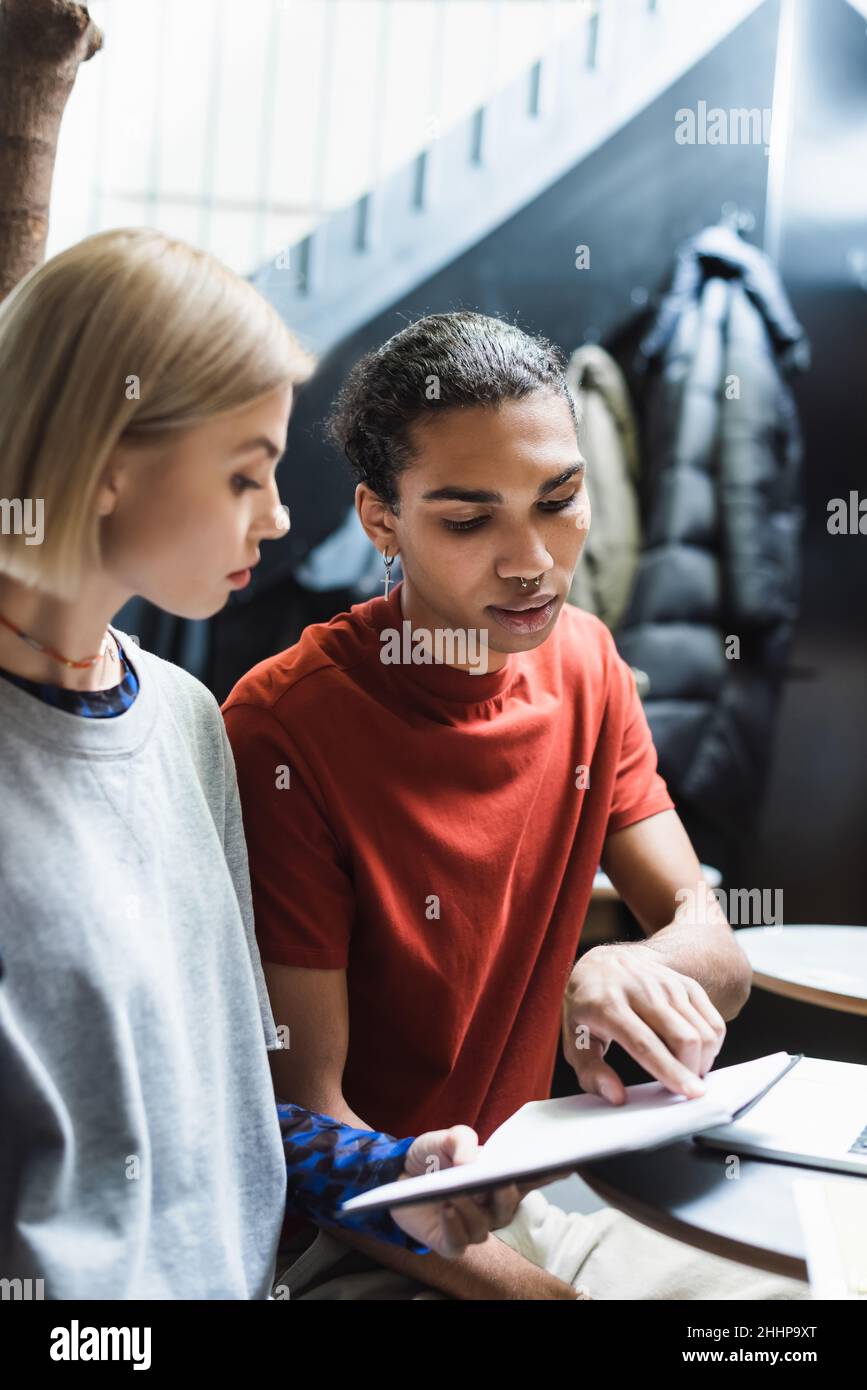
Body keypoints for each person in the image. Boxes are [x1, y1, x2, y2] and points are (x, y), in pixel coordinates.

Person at [223, 311, 811, 1301]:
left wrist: (624, 963)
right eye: (468, 518)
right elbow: (307, 1130)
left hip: (536, 1189)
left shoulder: (586, 664)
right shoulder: (285, 727)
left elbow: (716, 950)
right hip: (359, 1243)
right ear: (381, 521)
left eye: (559, 498)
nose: (532, 557)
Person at [0, 236, 540, 1301]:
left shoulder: (190, 721)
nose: (280, 514)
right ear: (108, 461)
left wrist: (396, 1174)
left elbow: (226, 1109)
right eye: (245, 470)